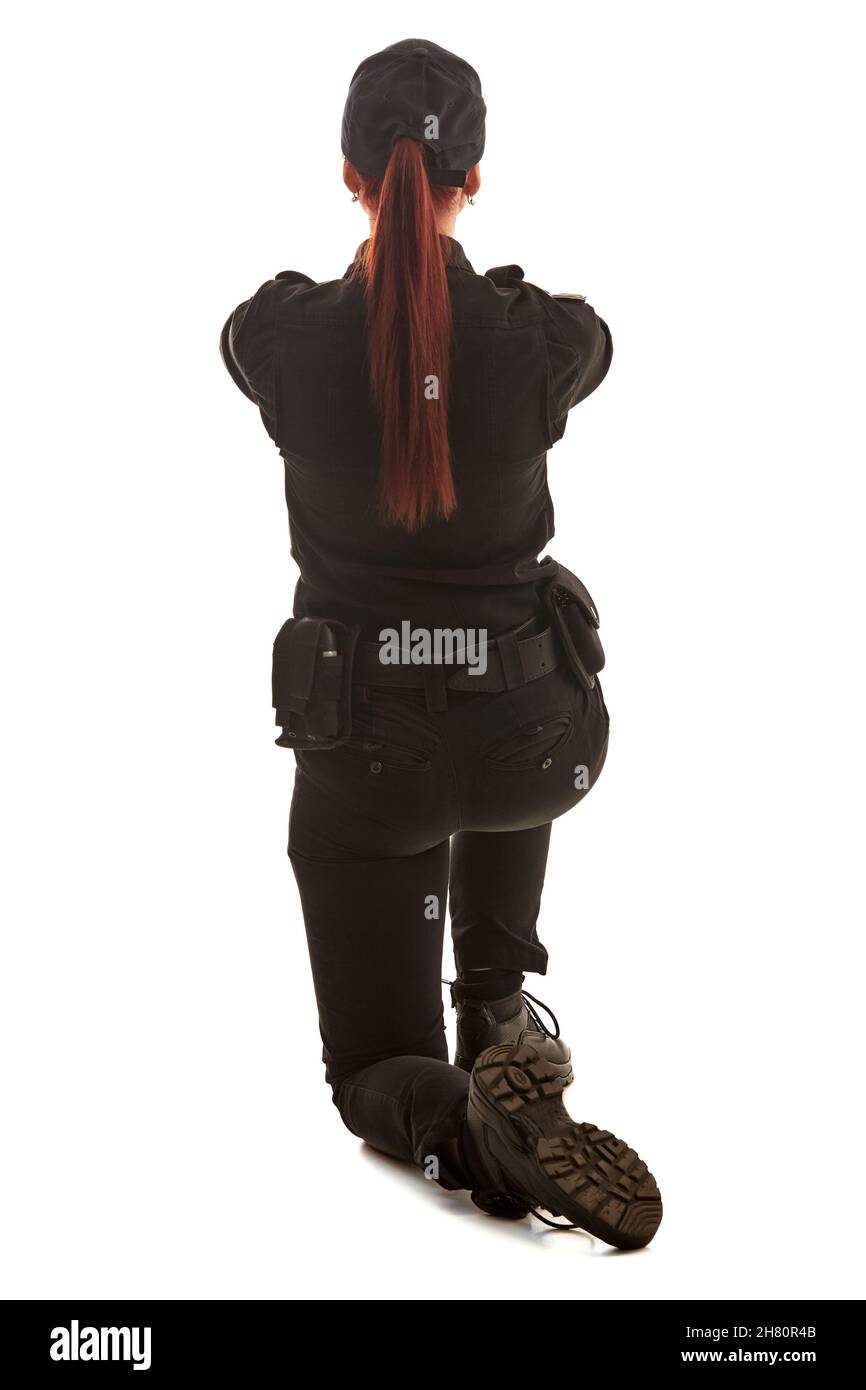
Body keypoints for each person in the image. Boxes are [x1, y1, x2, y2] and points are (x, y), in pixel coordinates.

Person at [220, 37, 662, 1249]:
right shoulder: (538, 341)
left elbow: (246, 336)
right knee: (504, 699)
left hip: (373, 761)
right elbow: (590, 337)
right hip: (534, 742)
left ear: (352, 178)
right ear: (476, 175)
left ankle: (467, 1124)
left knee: (372, 1060)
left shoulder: (284, 340)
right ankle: (499, 1002)